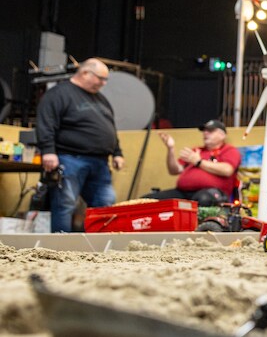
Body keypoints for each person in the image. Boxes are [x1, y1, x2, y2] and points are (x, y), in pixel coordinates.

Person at [35, 58, 124, 232]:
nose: (103, 83)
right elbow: (46, 123)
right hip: (69, 159)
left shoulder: (101, 100)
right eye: (100, 78)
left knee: (105, 203)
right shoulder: (59, 94)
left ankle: (99, 247)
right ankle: (60, 248)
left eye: (105, 79)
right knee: (65, 203)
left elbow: (110, 129)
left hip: (100, 162)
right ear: (85, 73)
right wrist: (48, 151)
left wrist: (117, 152)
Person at [144, 120, 241, 206]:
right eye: (204, 130)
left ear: (222, 135)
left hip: (211, 193)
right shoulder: (196, 150)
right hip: (183, 192)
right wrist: (171, 149)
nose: (205, 133)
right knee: (147, 200)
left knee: (202, 200)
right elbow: (174, 170)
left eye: (210, 131)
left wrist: (199, 162)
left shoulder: (228, 150)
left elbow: (227, 170)